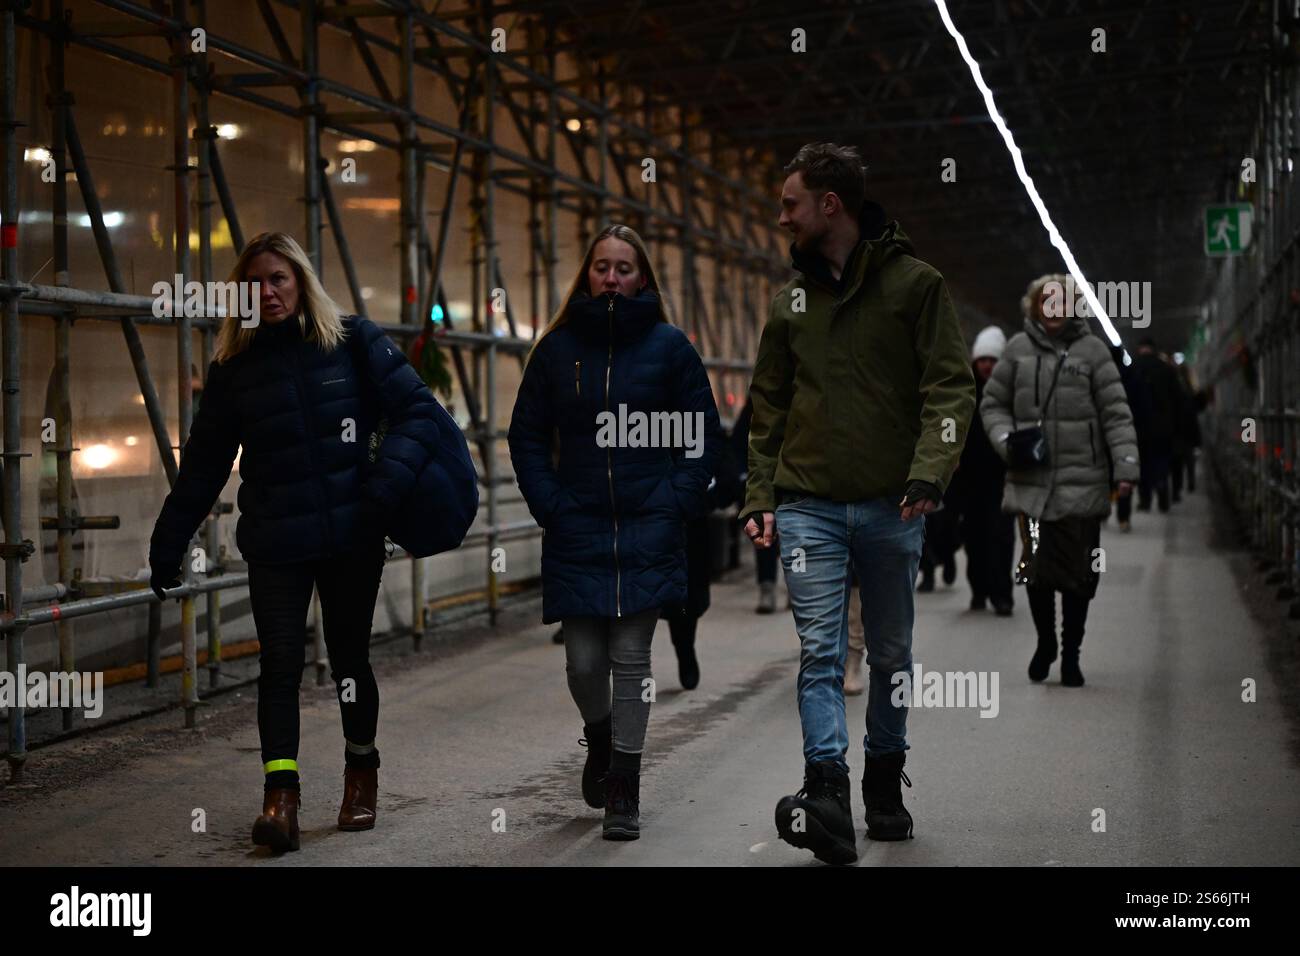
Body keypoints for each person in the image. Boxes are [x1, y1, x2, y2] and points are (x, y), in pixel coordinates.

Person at [149, 232, 455, 852]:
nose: (267, 292)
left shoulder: (353, 341)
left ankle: (360, 776)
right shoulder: (234, 371)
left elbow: (422, 412)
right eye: (254, 283)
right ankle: (280, 800)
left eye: (278, 279)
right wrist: (168, 539)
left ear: (301, 282)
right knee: (279, 667)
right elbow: (206, 464)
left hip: (353, 535)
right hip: (276, 541)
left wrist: (383, 490)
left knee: (348, 662)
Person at [741, 143, 975, 864]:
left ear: (829, 205)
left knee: (892, 654)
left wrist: (929, 472)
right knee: (820, 650)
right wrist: (760, 495)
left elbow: (950, 387)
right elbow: (769, 405)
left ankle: (883, 785)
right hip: (808, 503)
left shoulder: (915, 286)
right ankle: (827, 792)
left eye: (791, 205)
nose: (782, 219)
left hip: (891, 507)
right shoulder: (791, 303)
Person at [507, 223, 720, 841]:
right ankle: (600, 737)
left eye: (624, 268)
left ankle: (624, 783)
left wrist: (674, 501)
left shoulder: (671, 348)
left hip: (648, 528)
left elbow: (699, 433)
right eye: (602, 266)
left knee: (631, 659)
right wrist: (550, 503)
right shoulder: (556, 351)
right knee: (581, 663)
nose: (612, 278)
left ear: (643, 278)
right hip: (576, 528)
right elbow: (525, 435)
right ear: (587, 274)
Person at [980, 274, 1139, 687]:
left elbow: (1116, 414)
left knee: (1079, 574)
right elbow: (992, 404)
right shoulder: (1016, 351)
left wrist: (1125, 467)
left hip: (1082, 482)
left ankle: (1071, 654)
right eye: (1046, 301)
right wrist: (1005, 441)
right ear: (1033, 306)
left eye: (1062, 300)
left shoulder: (1093, 352)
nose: (1053, 308)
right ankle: (1046, 642)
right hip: (1030, 481)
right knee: (1034, 567)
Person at [948, 326, 1015, 615]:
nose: (988, 365)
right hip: (970, 479)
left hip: (1003, 477)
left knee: (1001, 537)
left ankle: (1002, 593)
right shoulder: (964, 392)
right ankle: (978, 589)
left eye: (993, 360)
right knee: (974, 537)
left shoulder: (1011, 392)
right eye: (983, 360)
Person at [1129, 337, 1181, 513]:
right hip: (1163, 427)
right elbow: (1177, 398)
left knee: (1142, 464)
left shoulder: (1133, 368)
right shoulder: (1166, 370)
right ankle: (1162, 493)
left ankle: (1145, 499)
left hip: (1139, 426)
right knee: (1161, 462)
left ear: (1139, 348)